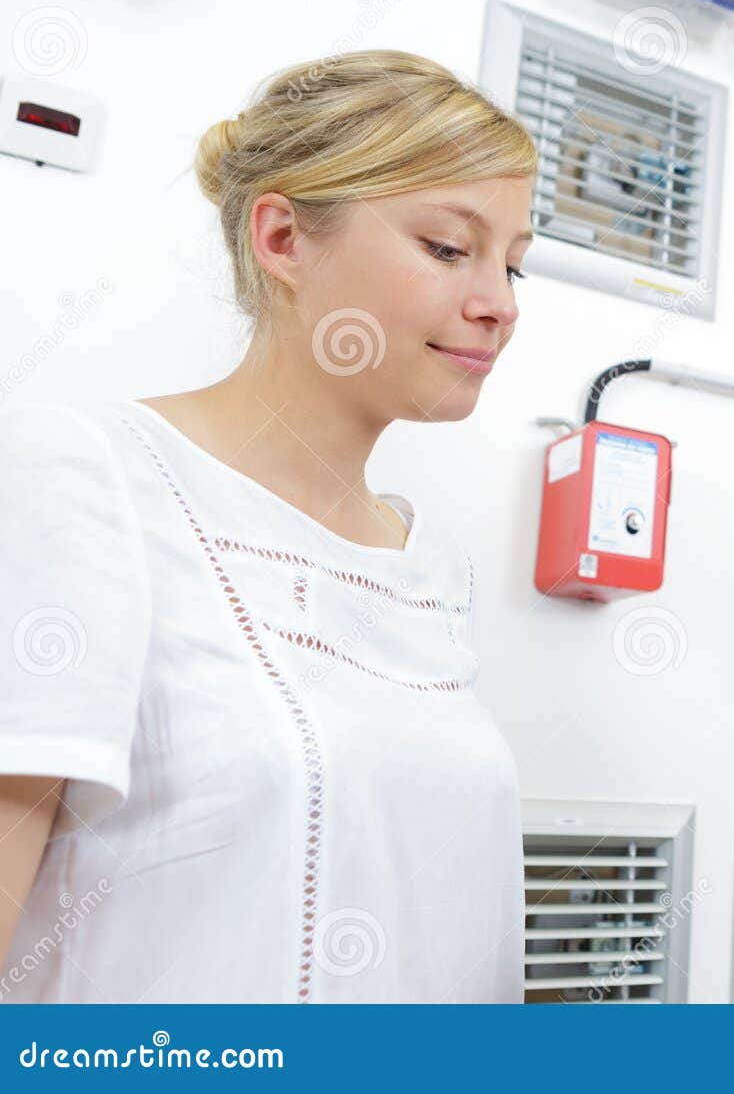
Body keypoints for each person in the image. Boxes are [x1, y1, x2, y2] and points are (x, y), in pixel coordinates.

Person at [0, 50, 538, 1001]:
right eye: (450, 248)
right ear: (284, 238)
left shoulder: (428, 565)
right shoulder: (92, 476)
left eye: (515, 262)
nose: (498, 303)